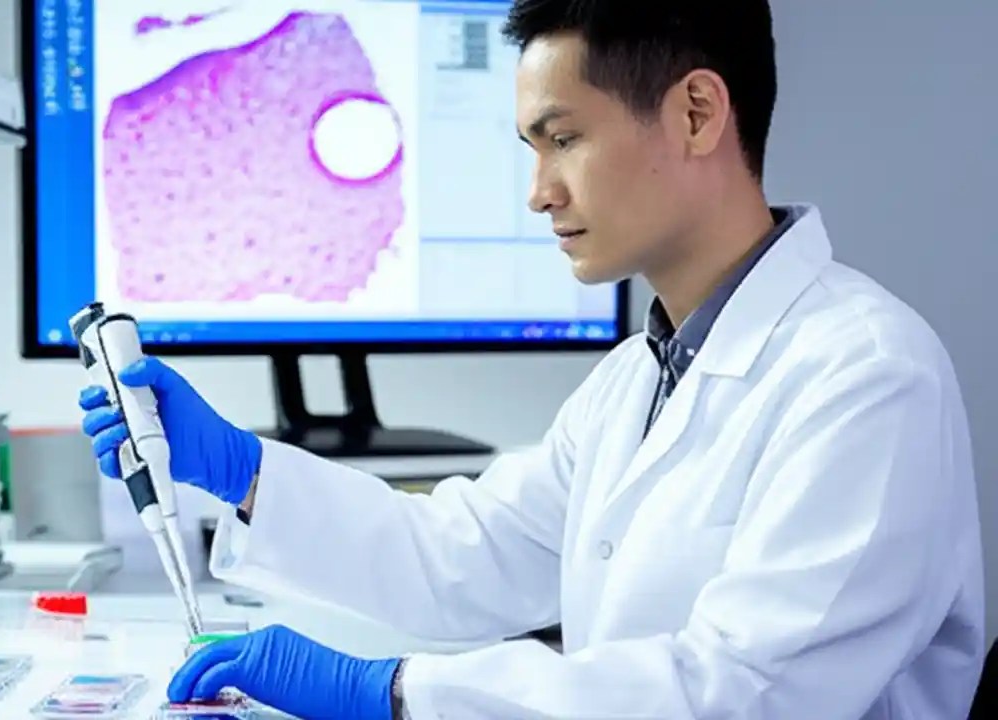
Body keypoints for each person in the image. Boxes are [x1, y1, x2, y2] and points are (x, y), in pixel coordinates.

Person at [79, 0, 985, 717]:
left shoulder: (867, 376)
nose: (539, 193)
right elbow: (461, 558)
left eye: (565, 139)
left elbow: (739, 696)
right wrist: (238, 471)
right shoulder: (639, 378)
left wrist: (392, 695)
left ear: (698, 113)